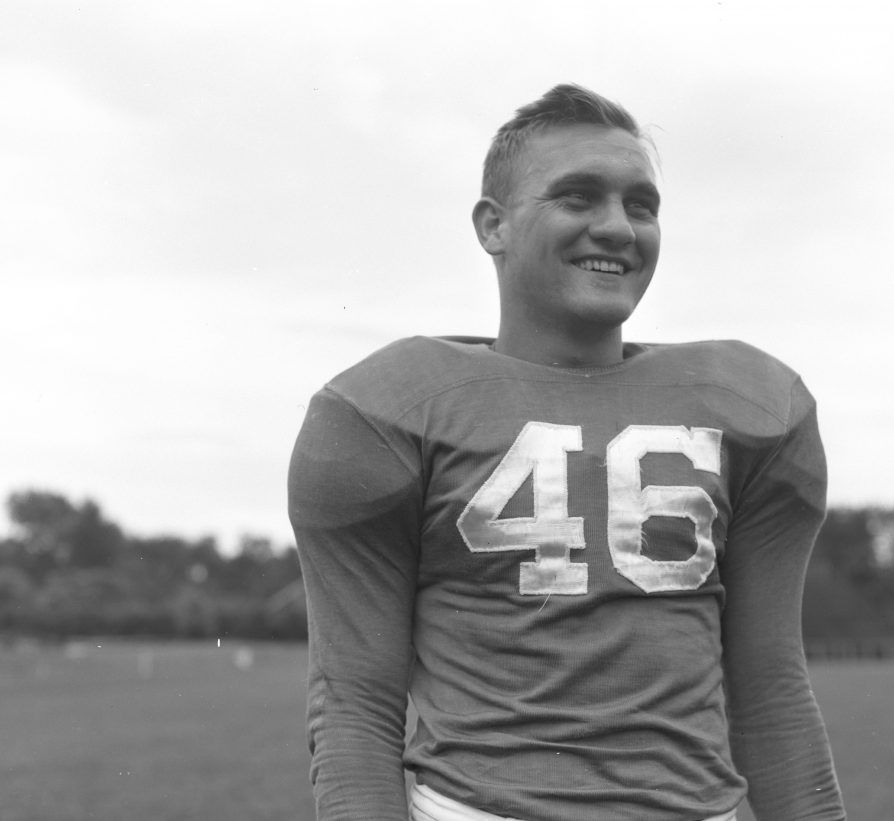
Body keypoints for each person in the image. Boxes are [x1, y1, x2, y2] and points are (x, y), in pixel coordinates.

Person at [289, 84, 846, 821]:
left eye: (640, 205)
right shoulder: (384, 411)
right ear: (494, 225)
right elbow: (356, 703)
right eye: (579, 197)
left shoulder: (754, 407)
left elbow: (770, 688)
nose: (617, 226)